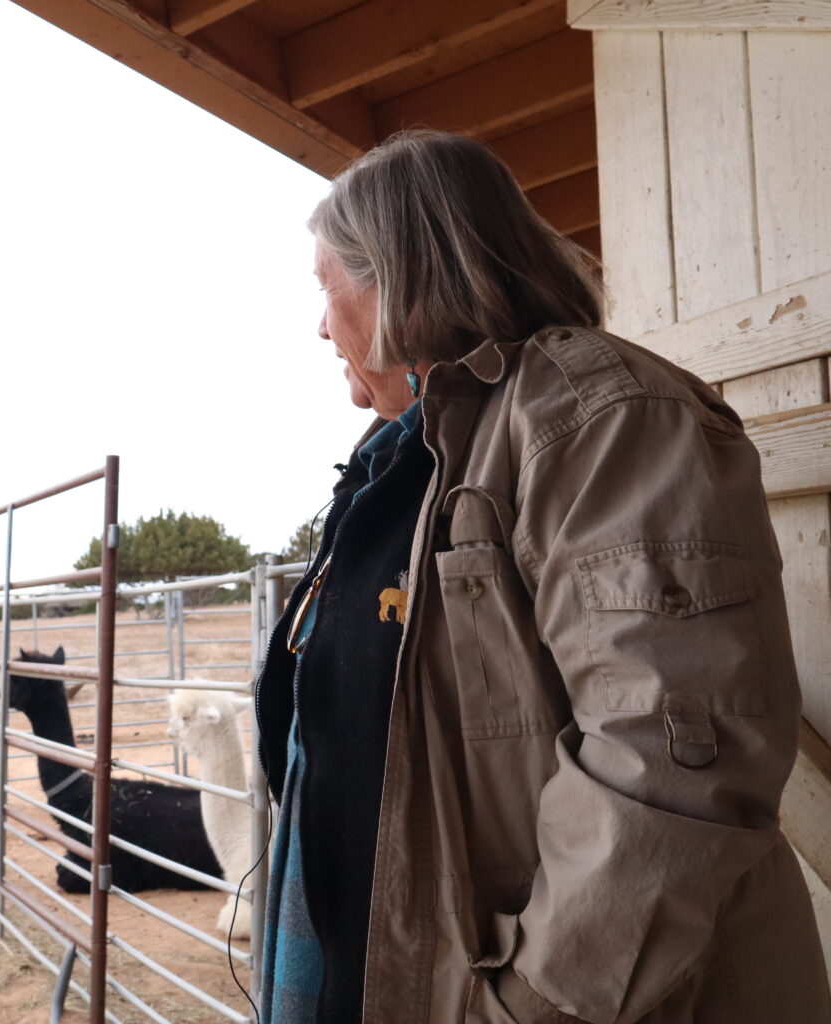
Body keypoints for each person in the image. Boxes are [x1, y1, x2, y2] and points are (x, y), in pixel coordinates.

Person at [254, 129, 831, 1024]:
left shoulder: (597, 415)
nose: (320, 324)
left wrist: (529, 1007)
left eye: (328, 289)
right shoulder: (407, 457)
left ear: (403, 274)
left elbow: (672, 757)